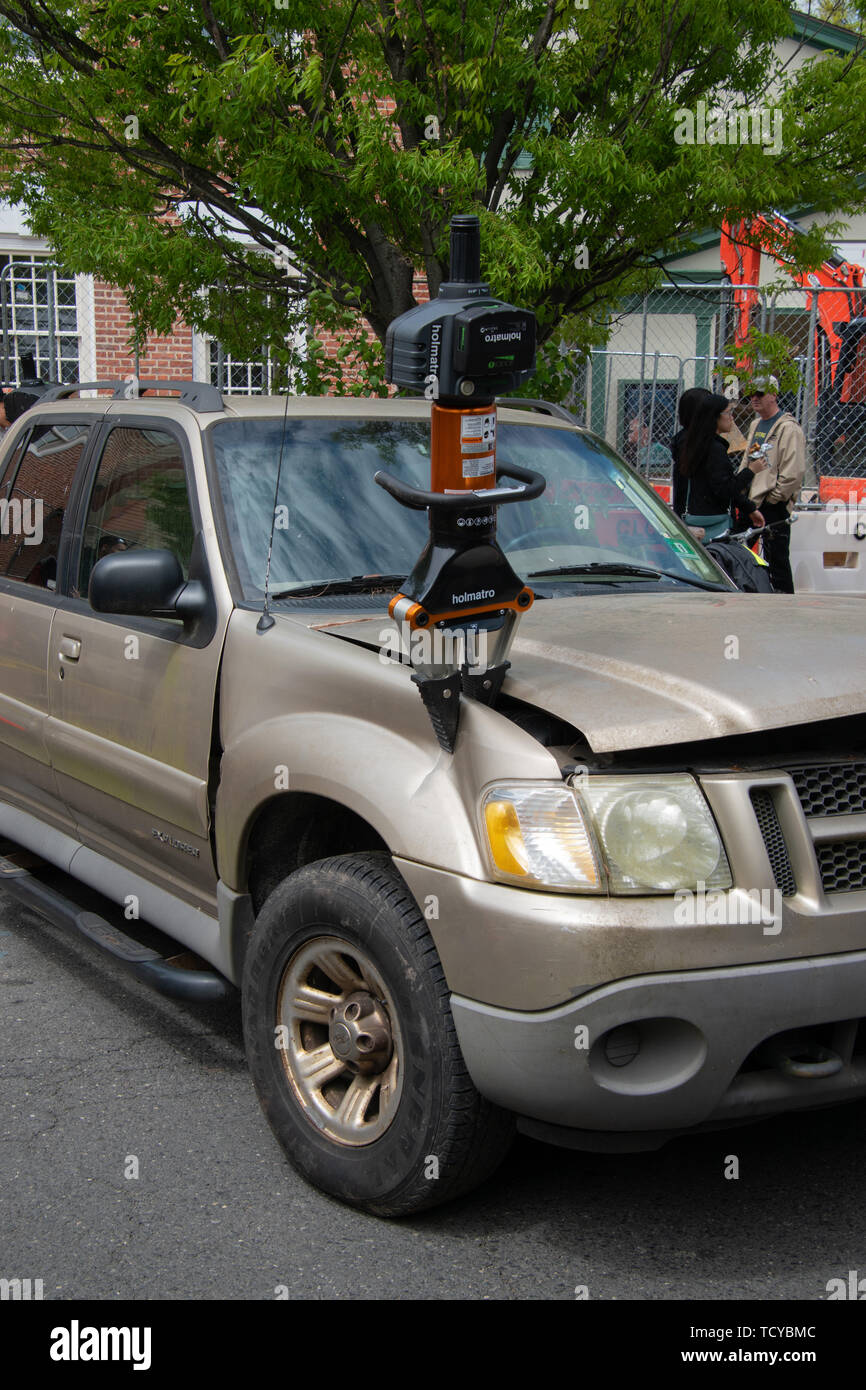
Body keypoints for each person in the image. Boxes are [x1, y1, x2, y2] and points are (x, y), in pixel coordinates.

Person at [671, 390, 767, 540]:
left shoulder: (691, 443)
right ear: (713, 416)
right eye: (728, 413)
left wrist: (748, 507)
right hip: (713, 521)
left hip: (689, 517)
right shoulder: (712, 448)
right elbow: (724, 487)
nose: (731, 418)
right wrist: (751, 471)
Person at [741, 376, 805, 594]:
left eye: (760, 393)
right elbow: (748, 459)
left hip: (772, 502)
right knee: (738, 553)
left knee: (777, 559)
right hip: (751, 501)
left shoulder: (789, 428)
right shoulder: (755, 424)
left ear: (774, 395)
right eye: (752, 394)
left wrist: (774, 498)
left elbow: (793, 472)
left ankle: (785, 604)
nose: (754, 398)